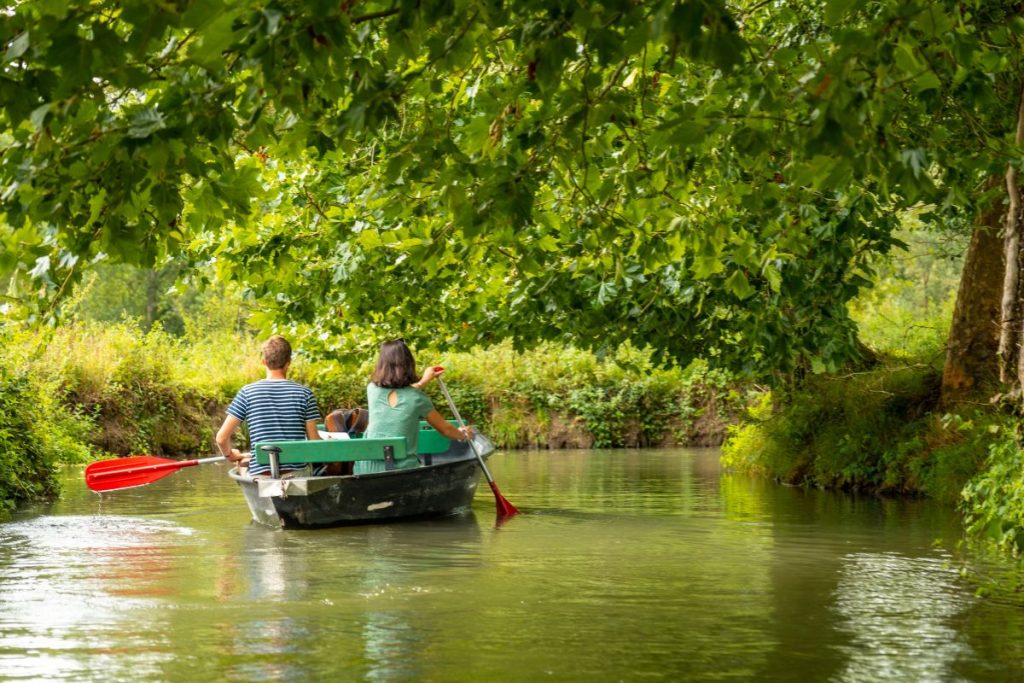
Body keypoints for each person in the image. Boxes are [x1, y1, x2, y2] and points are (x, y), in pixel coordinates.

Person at [357, 339, 472, 475]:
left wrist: (423, 381)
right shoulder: (418, 398)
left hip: (367, 469)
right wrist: (463, 435)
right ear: (409, 364)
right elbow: (445, 430)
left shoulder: (372, 389)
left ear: (382, 365)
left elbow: (401, 393)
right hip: (402, 470)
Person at [216, 335, 321, 477]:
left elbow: (221, 438)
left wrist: (230, 455)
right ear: (288, 362)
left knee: (242, 464)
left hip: (262, 475)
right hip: (297, 474)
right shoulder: (305, 394)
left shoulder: (247, 393)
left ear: (263, 361)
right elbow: (314, 443)